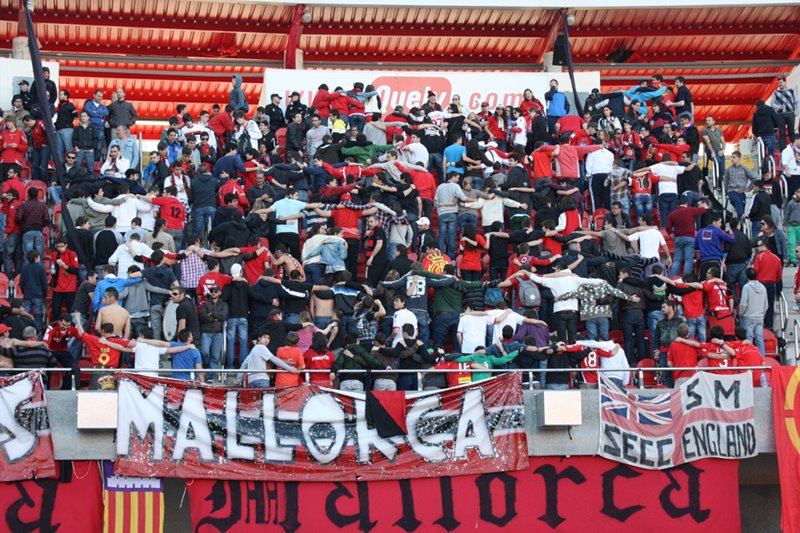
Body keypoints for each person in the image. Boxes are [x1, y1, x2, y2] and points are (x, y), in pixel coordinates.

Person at [739, 267, 768, 355]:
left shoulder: (746, 287)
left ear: (746, 276)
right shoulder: (763, 287)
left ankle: (750, 356)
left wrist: (741, 313)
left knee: (749, 338)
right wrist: (762, 314)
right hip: (759, 317)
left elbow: (743, 303)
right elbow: (766, 304)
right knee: (759, 337)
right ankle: (762, 357)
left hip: (748, 316)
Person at [19, 250, 48, 332]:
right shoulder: (41, 268)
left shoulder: (25, 268)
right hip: (38, 295)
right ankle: (37, 332)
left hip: (27, 294)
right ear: (36, 258)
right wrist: (44, 294)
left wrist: (24, 291)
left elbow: (21, 282)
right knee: (37, 314)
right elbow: (44, 283)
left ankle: (24, 330)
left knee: (26, 314)